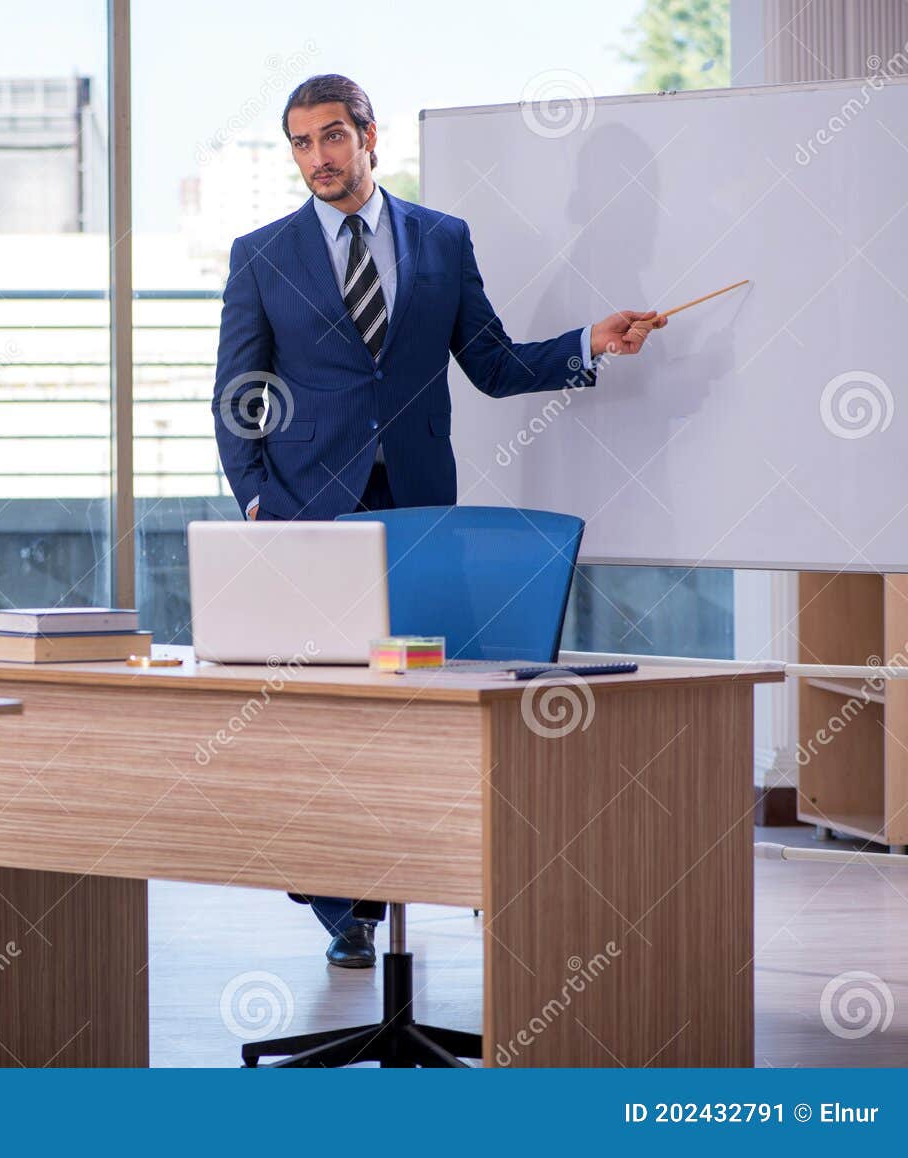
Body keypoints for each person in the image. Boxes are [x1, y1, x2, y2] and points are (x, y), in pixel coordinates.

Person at [210, 73, 666, 968]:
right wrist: (258, 502)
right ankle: (345, 904)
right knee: (320, 721)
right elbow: (240, 394)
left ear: (368, 137)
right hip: (308, 514)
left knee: (420, 712)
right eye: (301, 144)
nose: (318, 159)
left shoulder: (441, 240)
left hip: (420, 508)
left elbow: (490, 364)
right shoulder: (260, 255)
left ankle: (435, 875)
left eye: (332, 138)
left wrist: (587, 345)